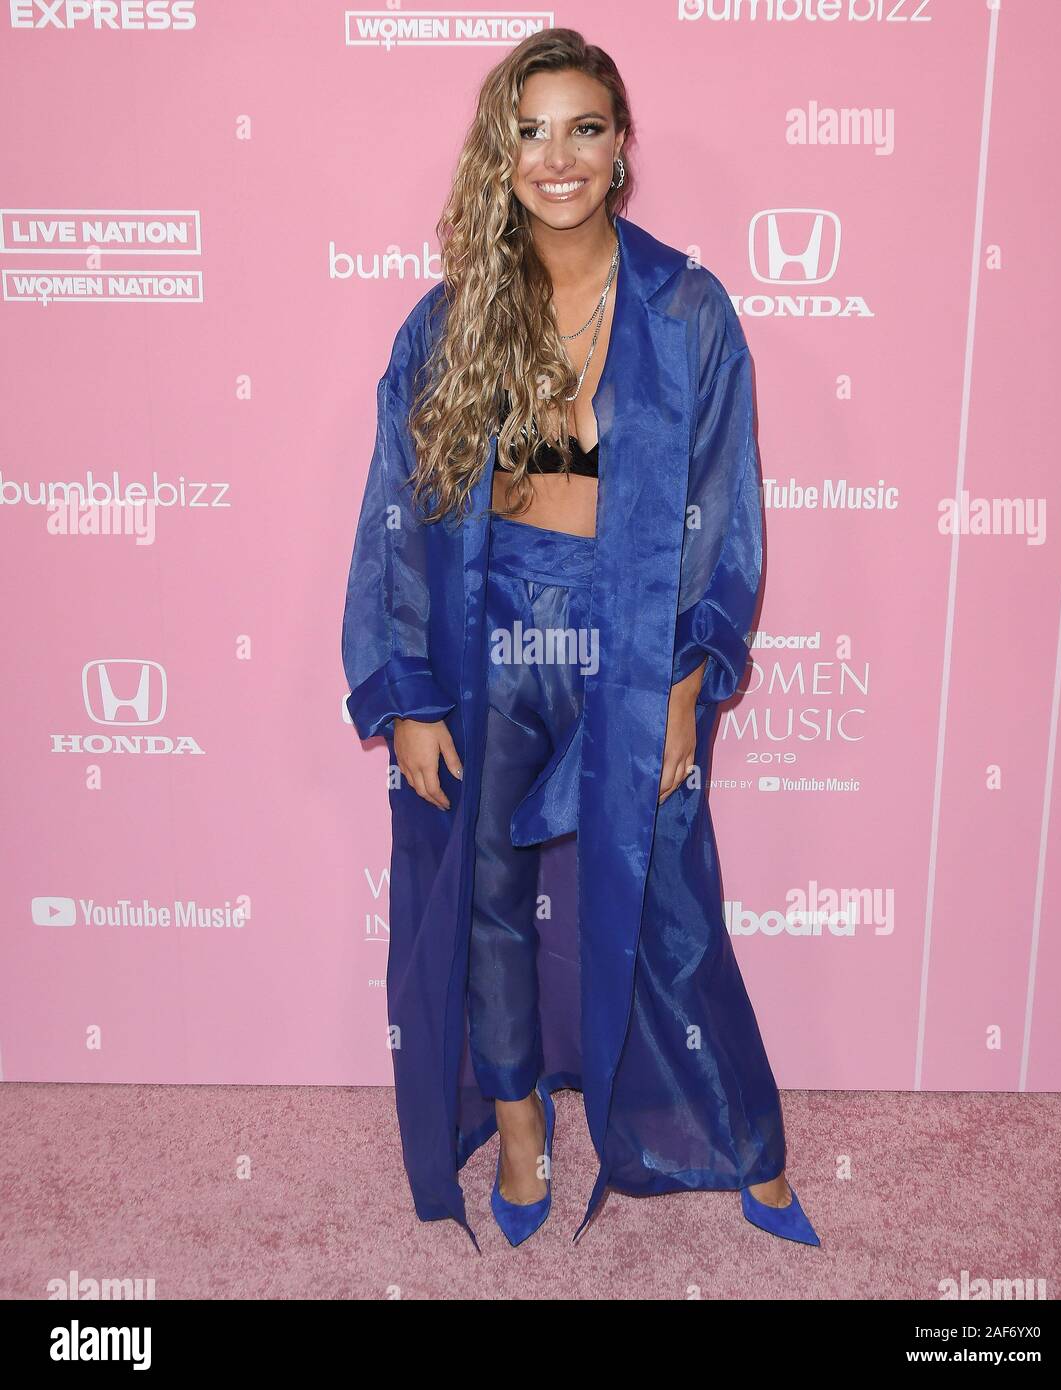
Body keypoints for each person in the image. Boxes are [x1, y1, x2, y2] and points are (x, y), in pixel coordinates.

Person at [341, 27, 820, 1251]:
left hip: (627, 641)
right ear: (501, 155)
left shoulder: (685, 309)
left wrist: (680, 687)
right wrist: (404, 694)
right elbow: (394, 513)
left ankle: (735, 1138)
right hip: (486, 634)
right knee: (488, 896)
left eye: (583, 129)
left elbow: (724, 506)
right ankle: (514, 1129)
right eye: (530, 130)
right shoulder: (445, 324)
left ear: (621, 151)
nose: (557, 156)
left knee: (666, 896)